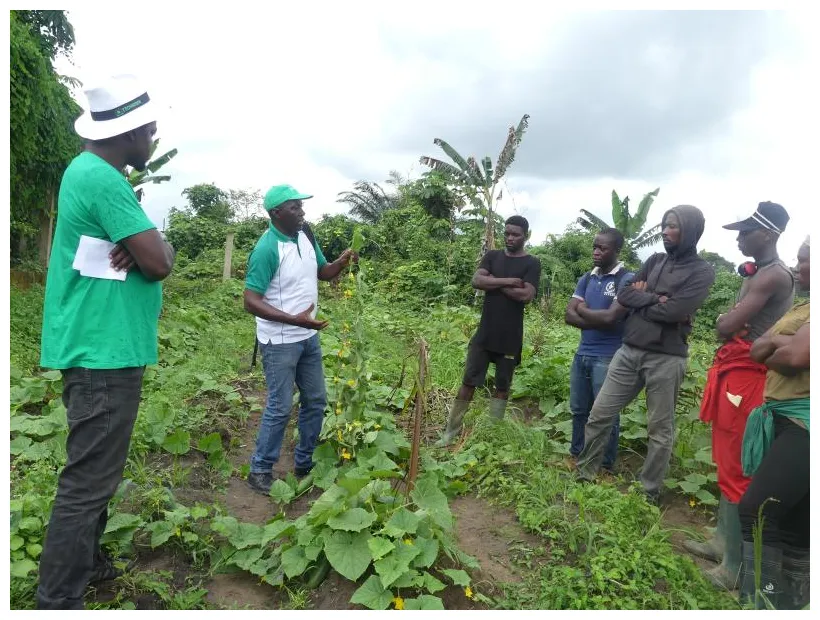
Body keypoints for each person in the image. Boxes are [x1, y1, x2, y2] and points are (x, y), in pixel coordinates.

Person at [37, 74, 176, 610]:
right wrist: (146, 246)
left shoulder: (90, 173)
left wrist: (141, 245)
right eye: (150, 128)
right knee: (87, 483)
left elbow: (150, 255)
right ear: (130, 131)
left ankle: (88, 566)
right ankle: (57, 601)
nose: (155, 135)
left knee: (98, 474)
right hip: (103, 352)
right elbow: (159, 262)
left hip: (104, 348)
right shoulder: (103, 179)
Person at [684, 202, 794, 591]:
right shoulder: (757, 272)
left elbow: (726, 324)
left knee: (736, 463)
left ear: (768, 234)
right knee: (724, 456)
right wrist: (729, 322)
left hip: (748, 378)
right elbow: (729, 324)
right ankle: (720, 542)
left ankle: (733, 566)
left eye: (746, 232)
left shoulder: (773, 276)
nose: (739, 238)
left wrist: (727, 321)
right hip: (734, 371)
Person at [576, 205, 715, 504]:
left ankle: (648, 493)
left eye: (673, 226)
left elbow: (677, 310)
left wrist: (647, 300)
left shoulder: (703, 271)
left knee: (659, 430)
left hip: (666, 359)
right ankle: (585, 473)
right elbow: (625, 295)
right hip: (629, 351)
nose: (665, 231)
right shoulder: (654, 261)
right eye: (664, 225)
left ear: (690, 230)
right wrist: (656, 299)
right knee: (599, 414)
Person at [244, 185, 357, 494]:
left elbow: (323, 271)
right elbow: (250, 300)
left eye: (301, 206)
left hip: (308, 337)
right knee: (280, 406)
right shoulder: (267, 249)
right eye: (295, 207)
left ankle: (305, 462)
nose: (302, 212)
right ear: (276, 213)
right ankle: (260, 469)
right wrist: (293, 319)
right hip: (279, 340)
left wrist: (343, 261)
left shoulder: (305, 235)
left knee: (316, 400)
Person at [736, 237, 810, 610]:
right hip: (787, 418)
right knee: (797, 526)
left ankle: (759, 601)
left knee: (758, 510)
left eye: (805, 261)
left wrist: (776, 342)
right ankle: (789, 605)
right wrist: (777, 341)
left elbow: (796, 356)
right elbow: (757, 346)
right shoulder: (805, 305)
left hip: (806, 425)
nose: (798, 268)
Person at [436, 216, 541, 446]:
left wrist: (493, 281)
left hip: (510, 339)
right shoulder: (492, 256)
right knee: (468, 383)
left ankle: (490, 438)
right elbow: (476, 280)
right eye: (507, 233)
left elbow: (526, 296)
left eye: (516, 234)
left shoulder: (532, 263)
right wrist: (510, 282)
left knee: (502, 388)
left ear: (526, 235)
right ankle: (450, 433)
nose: (510, 238)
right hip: (484, 335)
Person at [564, 228, 635, 473]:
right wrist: (599, 317)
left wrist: (584, 311)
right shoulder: (587, 278)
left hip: (608, 356)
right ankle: (577, 455)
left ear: (616, 250)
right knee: (579, 409)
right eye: (595, 246)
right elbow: (568, 315)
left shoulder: (626, 279)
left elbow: (611, 318)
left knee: (605, 414)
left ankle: (605, 464)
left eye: (602, 248)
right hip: (582, 353)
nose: (596, 252)